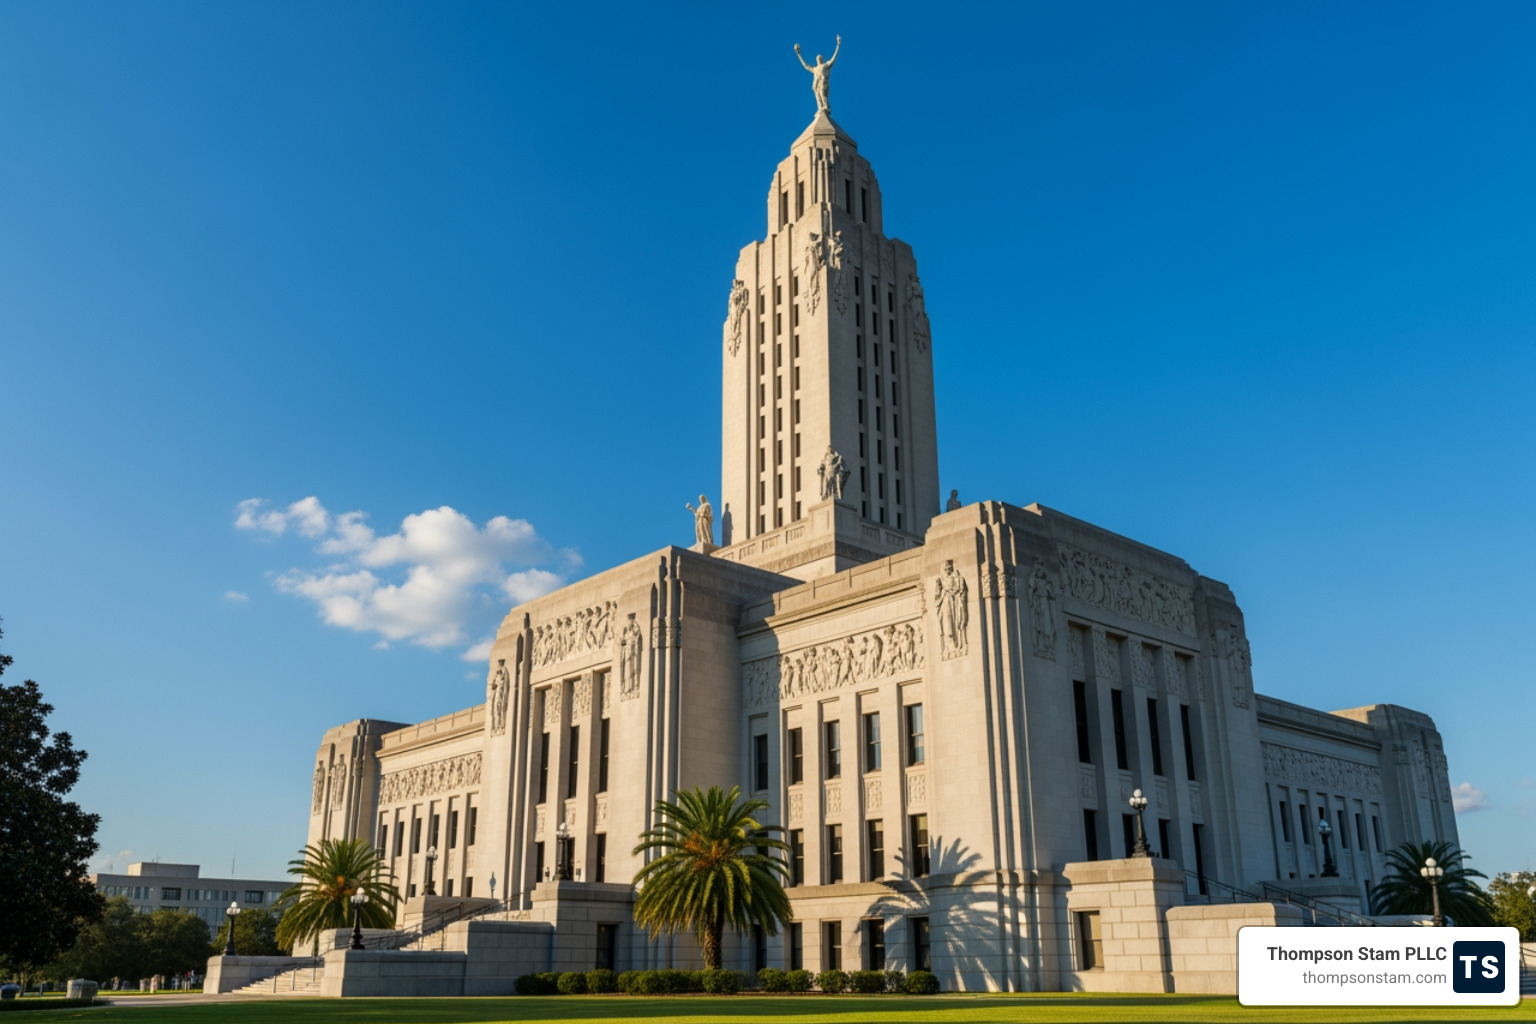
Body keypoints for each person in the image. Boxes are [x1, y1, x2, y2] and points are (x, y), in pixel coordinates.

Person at [794, 36, 841, 115]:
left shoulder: (825, 65)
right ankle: (820, 107)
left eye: (820, 58)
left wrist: (838, 45)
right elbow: (805, 65)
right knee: (817, 94)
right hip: (816, 82)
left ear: (822, 59)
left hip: (823, 80)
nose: (819, 59)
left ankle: (825, 106)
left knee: (822, 92)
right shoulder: (815, 69)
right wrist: (798, 55)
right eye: (817, 59)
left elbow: (834, 58)